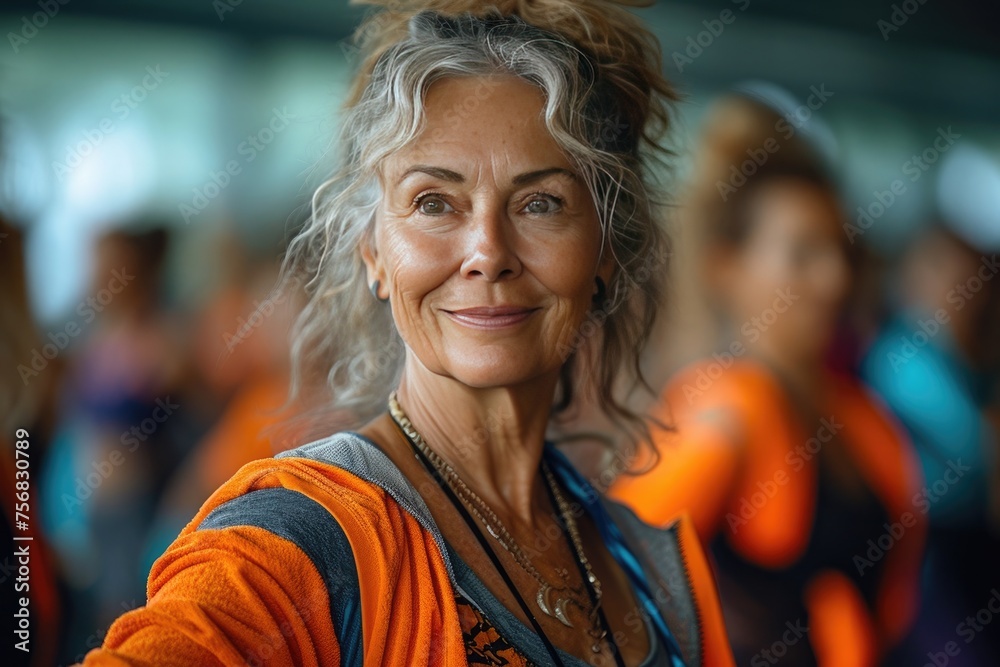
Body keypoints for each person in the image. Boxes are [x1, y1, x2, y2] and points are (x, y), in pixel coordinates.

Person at [80, 2, 734, 665]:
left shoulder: (658, 573)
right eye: (434, 202)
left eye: (541, 202)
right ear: (373, 251)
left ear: (604, 251)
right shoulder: (302, 541)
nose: (488, 251)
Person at [609, 95, 925, 666]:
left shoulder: (863, 418)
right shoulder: (725, 410)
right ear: (725, 267)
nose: (833, 279)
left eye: (839, 250)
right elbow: (610, 579)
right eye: (803, 254)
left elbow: (893, 603)